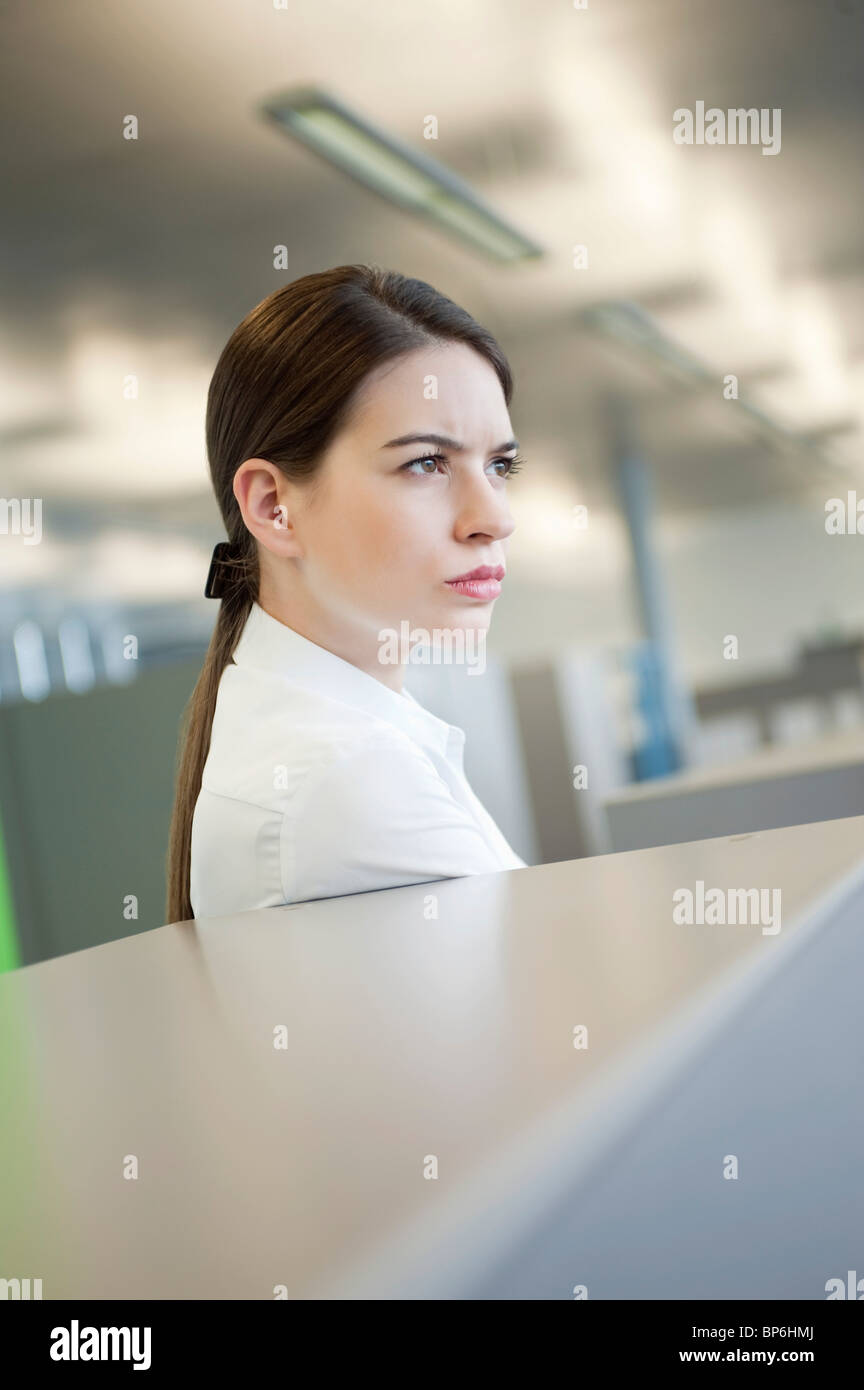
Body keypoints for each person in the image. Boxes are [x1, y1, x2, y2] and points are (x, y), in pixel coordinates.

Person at [165, 264, 528, 923]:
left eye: (499, 465)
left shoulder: (342, 742)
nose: (495, 518)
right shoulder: (345, 780)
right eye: (426, 463)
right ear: (275, 507)